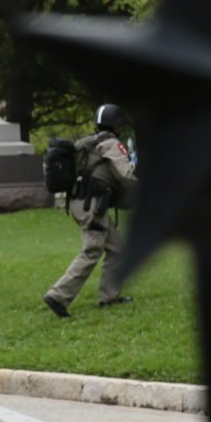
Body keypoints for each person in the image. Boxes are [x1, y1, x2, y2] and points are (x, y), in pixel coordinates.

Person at [44, 104, 137, 317]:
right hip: (92, 205)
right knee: (92, 250)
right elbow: (124, 174)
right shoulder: (110, 143)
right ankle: (58, 296)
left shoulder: (89, 142)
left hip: (82, 202)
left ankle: (110, 296)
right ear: (118, 125)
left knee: (116, 248)